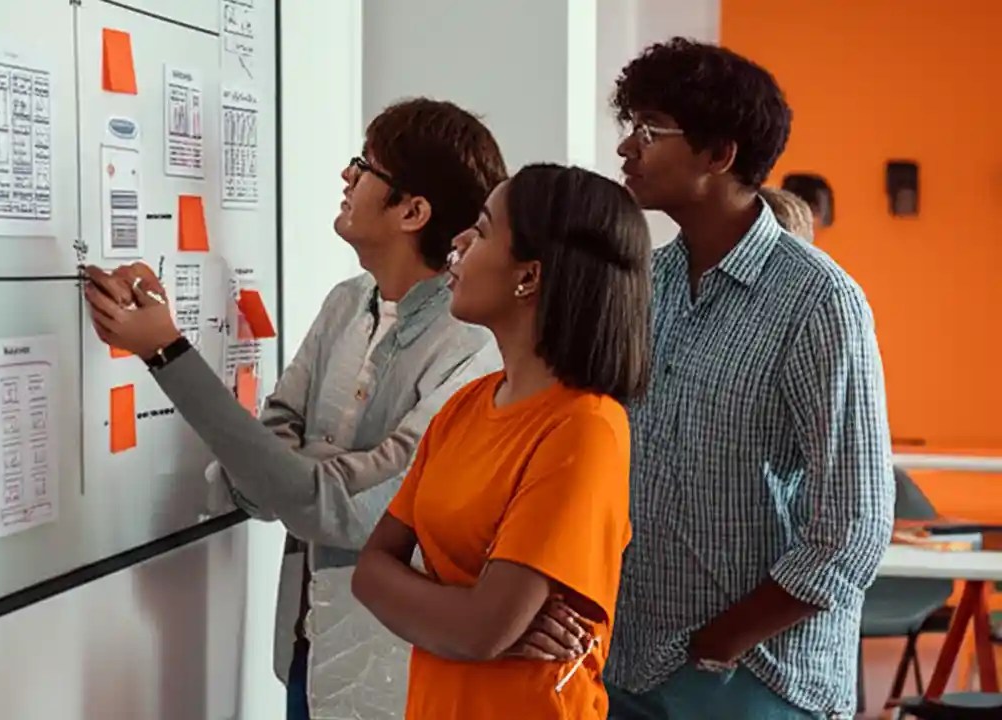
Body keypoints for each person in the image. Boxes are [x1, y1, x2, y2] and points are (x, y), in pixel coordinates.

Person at [84, 98, 534, 720]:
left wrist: (168, 353)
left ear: (412, 211)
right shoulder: (346, 304)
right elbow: (271, 477)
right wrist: (312, 473)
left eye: (364, 166)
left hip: (392, 672)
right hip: (306, 642)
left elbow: (348, 512)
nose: (347, 178)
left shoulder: (471, 351)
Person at [605, 37, 894, 719]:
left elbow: (854, 524)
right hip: (629, 660)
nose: (627, 148)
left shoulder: (818, 300)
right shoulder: (647, 283)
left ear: (719, 154)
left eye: (649, 130)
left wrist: (723, 641)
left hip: (753, 679)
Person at [352, 163, 653, 719]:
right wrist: (474, 620)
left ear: (529, 277)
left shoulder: (584, 428)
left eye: (483, 230)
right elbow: (369, 572)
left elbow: (477, 632)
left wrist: (469, 623)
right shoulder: (468, 404)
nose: (459, 241)